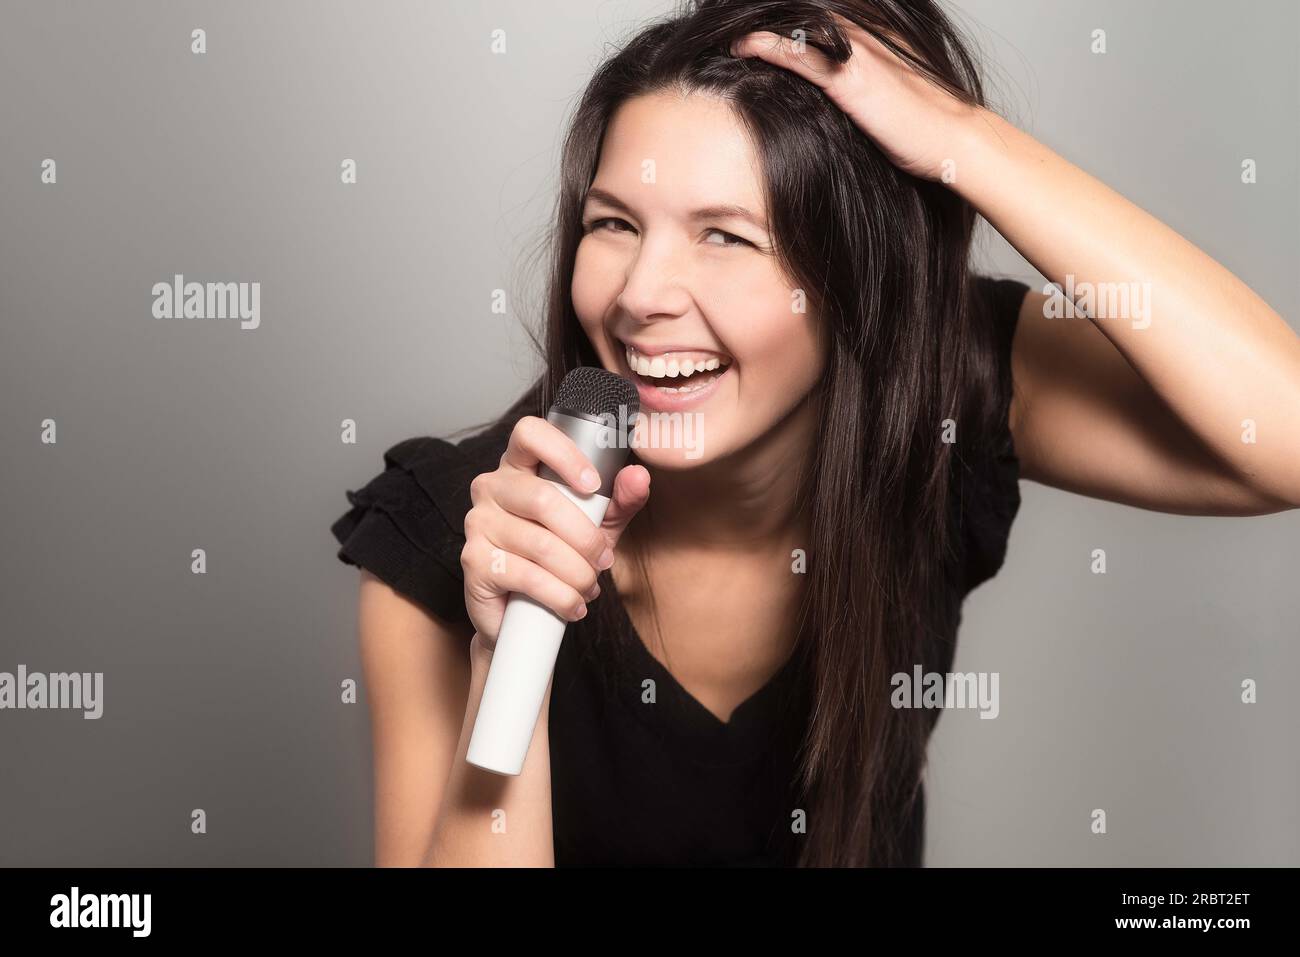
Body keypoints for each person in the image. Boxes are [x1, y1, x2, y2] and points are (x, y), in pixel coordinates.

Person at [329, 0, 1300, 867]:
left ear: (853, 282)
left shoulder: (940, 395)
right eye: (614, 223)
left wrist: (964, 140)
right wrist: (507, 659)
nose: (640, 297)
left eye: (725, 236)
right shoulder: (448, 533)